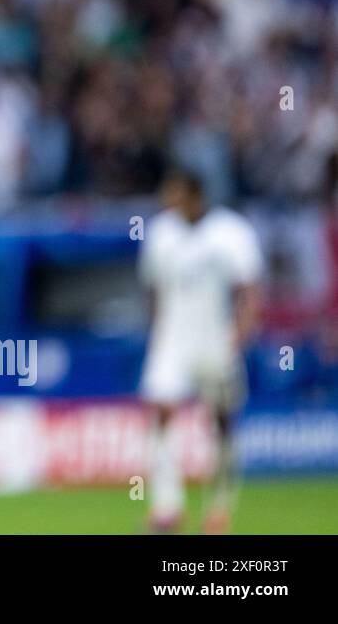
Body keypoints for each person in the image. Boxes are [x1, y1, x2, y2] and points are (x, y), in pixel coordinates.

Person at [139, 166, 263, 533]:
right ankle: (168, 508)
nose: (168, 202)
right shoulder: (161, 233)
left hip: (216, 340)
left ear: (196, 195)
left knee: (221, 421)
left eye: (175, 194)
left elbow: (249, 290)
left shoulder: (231, 233)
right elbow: (154, 289)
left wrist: (239, 334)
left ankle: (219, 507)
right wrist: (156, 334)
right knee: (161, 412)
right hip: (172, 340)